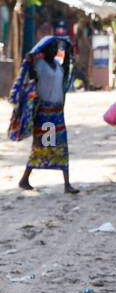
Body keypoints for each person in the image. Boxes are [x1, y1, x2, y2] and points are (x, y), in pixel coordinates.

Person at [8, 36, 78, 193]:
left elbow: (67, 73)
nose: (54, 50)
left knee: (58, 146)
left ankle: (64, 183)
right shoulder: (39, 65)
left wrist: (69, 52)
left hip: (57, 112)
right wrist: (29, 60)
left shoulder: (59, 67)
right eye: (51, 48)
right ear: (44, 50)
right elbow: (29, 77)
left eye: (56, 48)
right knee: (43, 146)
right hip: (45, 114)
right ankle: (26, 179)